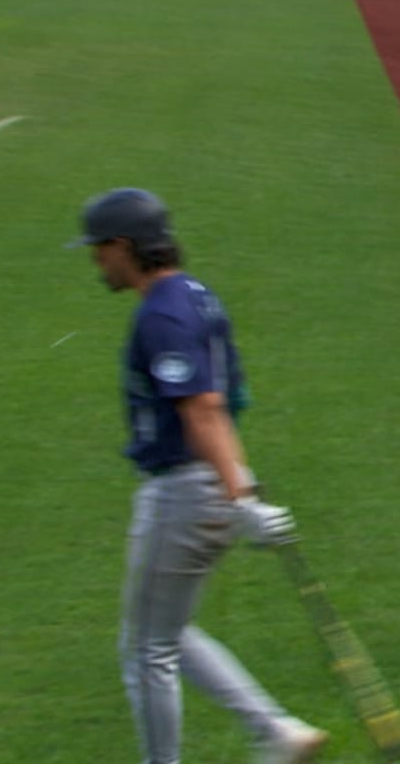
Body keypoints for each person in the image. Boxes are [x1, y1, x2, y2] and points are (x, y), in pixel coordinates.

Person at [69, 188, 328, 764]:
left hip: (183, 490)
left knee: (145, 650)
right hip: (213, 480)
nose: (96, 263)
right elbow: (222, 402)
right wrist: (244, 488)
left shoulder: (162, 313)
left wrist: (240, 499)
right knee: (169, 632)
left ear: (123, 246)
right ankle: (274, 730)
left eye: (98, 251)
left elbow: (202, 407)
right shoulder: (197, 296)